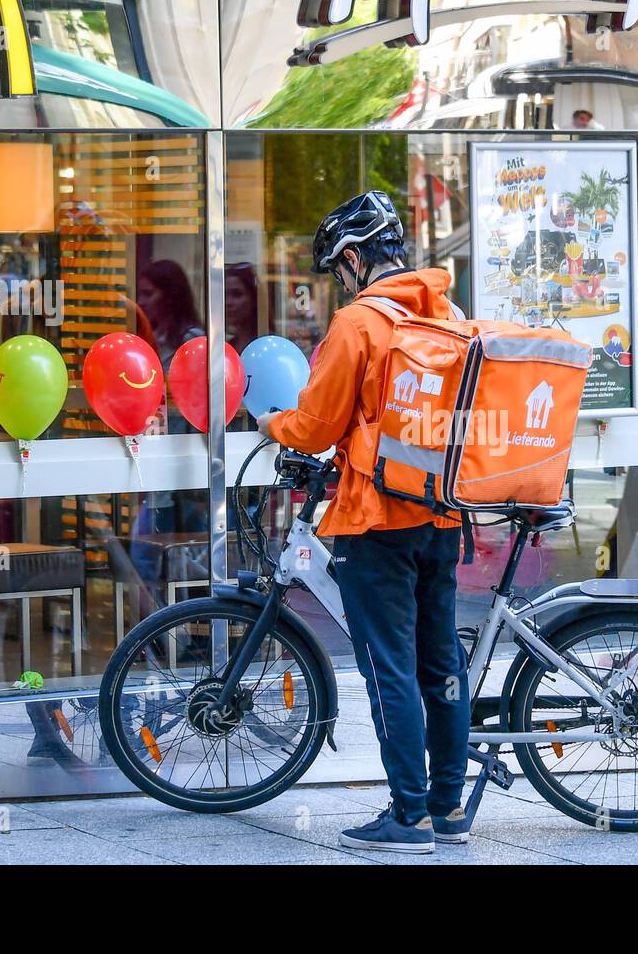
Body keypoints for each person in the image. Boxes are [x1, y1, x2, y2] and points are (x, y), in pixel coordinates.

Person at [256, 190, 469, 854]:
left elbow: (317, 425)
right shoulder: (451, 318)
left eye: (335, 269)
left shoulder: (359, 324)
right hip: (440, 514)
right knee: (440, 662)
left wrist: (273, 424)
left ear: (352, 259)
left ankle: (408, 820)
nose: (337, 282)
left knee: (389, 670)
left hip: (376, 520)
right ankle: (448, 808)